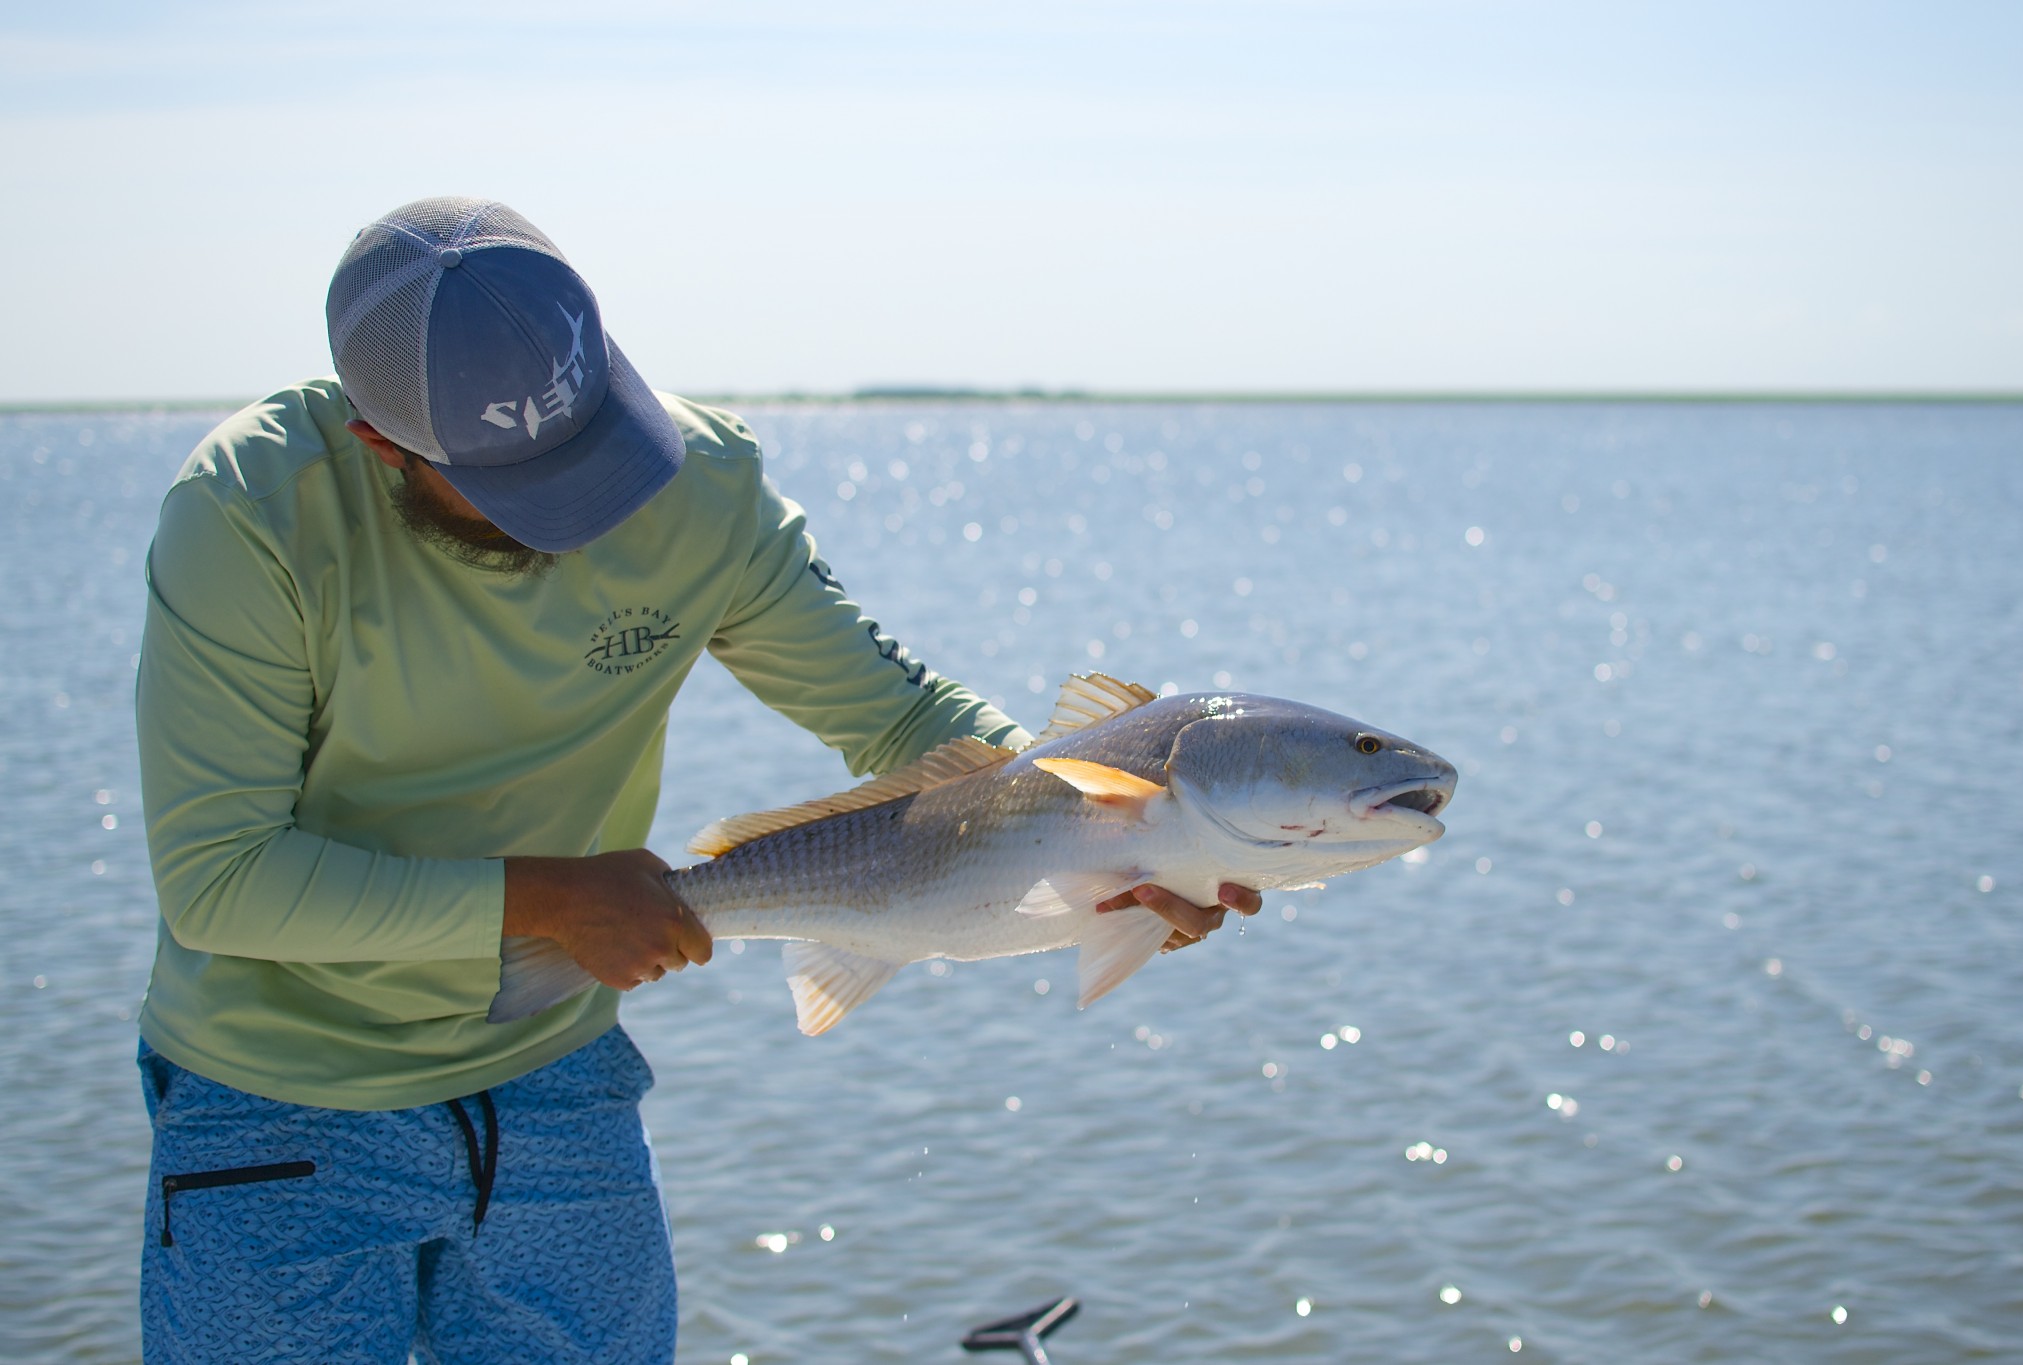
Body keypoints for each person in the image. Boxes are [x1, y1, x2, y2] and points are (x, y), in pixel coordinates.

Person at [132, 196, 1259, 1364]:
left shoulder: (702, 484)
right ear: (381, 445)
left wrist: (1106, 837)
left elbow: (907, 721)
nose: (577, 519)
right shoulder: (246, 516)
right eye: (521, 489)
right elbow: (221, 884)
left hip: (554, 1076)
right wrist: (553, 902)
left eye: (591, 454)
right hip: (276, 1107)